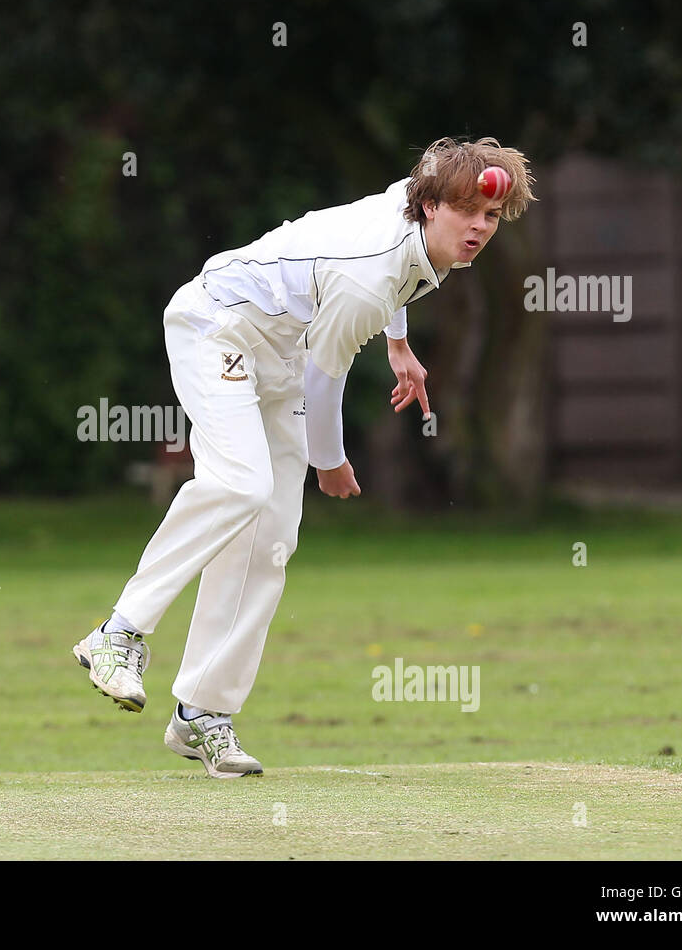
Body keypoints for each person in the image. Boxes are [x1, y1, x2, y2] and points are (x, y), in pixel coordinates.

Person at [73, 137, 535, 777]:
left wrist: (399, 348)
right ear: (429, 206)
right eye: (468, 213)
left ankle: (202, 712)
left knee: (270, 539)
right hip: (221, 325)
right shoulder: (367, 275)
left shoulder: (415, 231)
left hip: (281, 351)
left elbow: (389, 293)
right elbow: (327, 375)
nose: (481, 228)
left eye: (491, 217)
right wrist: (331, 461)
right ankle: (118, 632)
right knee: (241, 485)